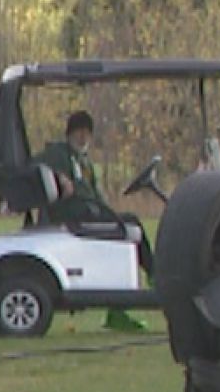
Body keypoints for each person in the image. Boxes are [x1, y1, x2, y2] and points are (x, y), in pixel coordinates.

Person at [37, 109, 154, 280]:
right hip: (74, 215)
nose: (83, 138)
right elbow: (35, 164)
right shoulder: (58, 154)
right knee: (130, 222)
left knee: (128, 223)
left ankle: (128, 281)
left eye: (87, 134)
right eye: (79, 133)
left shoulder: (83, 161)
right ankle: (153, 273)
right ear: (70, 134)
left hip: (91, 212)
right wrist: (59, 177)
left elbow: (94, 191)